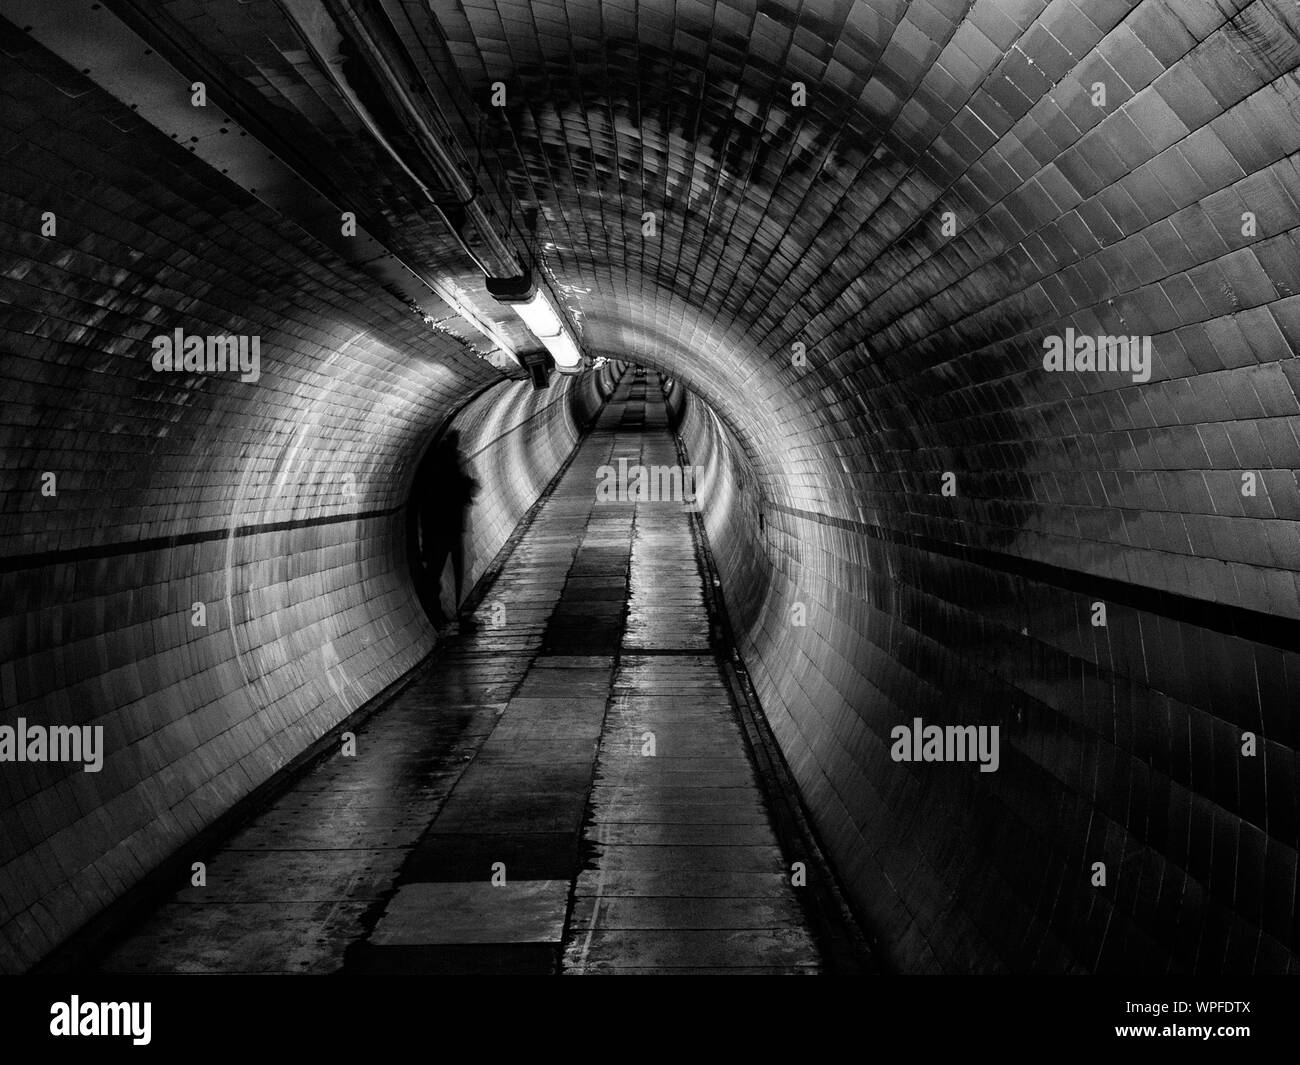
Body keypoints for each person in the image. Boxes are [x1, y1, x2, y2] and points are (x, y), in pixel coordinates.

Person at [414, 430, 478, 628]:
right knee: (457, 572)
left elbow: (425, 503)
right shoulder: (455, 464)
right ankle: (459, 613)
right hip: (451, 529)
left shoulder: (432, 465)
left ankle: (439, 613)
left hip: (437, 530)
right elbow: (468, 489)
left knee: (435, 572)